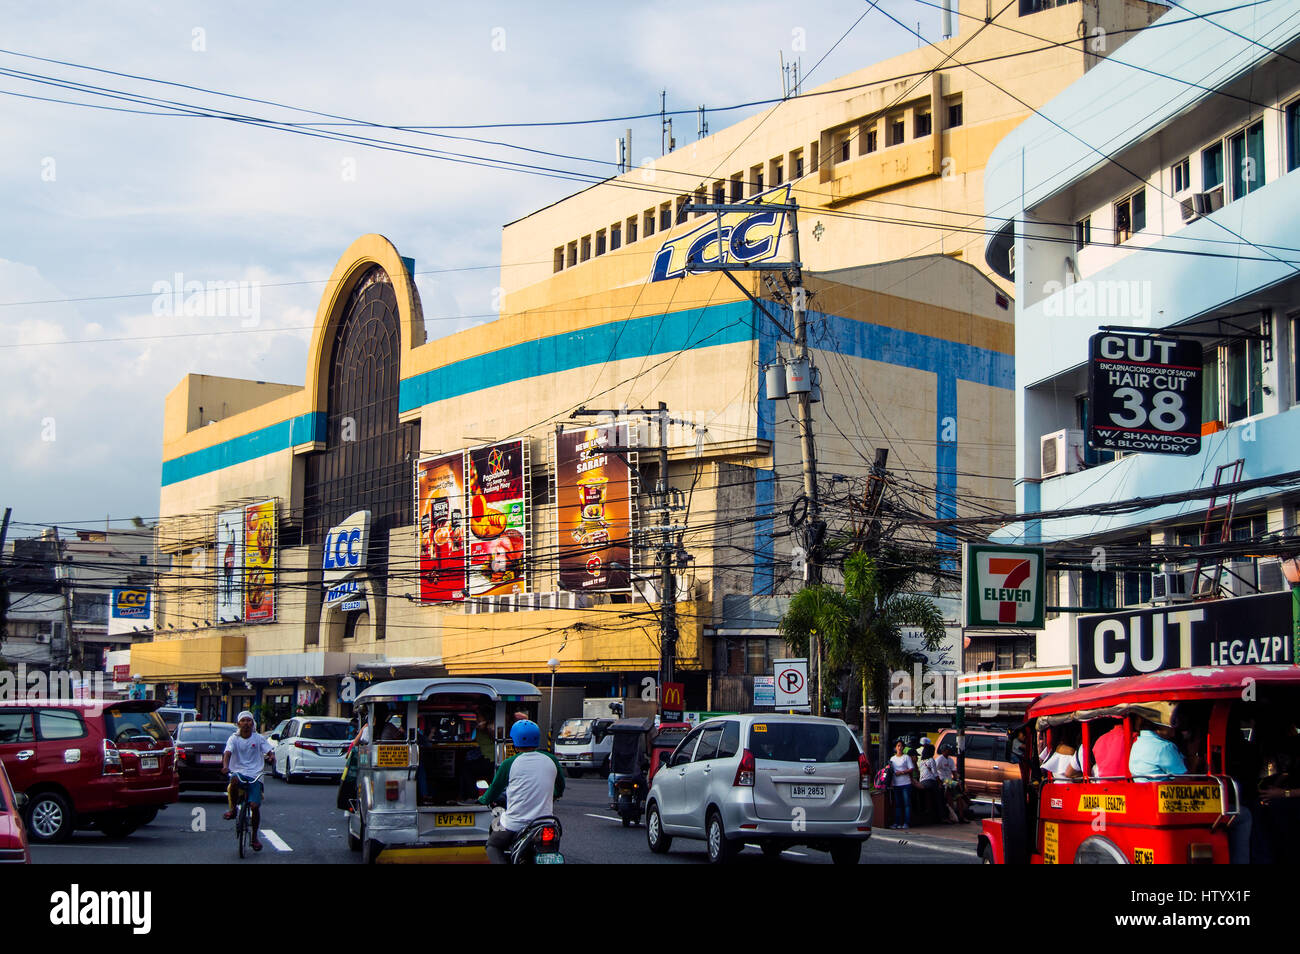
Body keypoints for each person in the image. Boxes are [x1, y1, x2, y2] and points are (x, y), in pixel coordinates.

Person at [478, 719, 565, 864]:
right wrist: (554, 795)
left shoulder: (509, 764)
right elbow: (560, 786)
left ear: (514, 740)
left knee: (493, 846)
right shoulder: (551, 760)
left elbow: (494, 790)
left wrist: (482, 800)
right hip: (546, 823)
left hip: (515, 824)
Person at [221, 710, 274, 852]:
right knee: (234, 781)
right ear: (238, 724)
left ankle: (254, 837)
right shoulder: (233, 738)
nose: (246, 724)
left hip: (255, 774)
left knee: (255, 806)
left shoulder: (258, 738)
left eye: (248, 721)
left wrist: (271, 756)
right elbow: (227, 753)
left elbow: (268, 750)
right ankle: (233, 810)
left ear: (252, 723)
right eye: (243, 721)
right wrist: (225, 766)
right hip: (238, 771)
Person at [1128, 703, 1187, 778]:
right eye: (1170, 723)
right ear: (1159, 724)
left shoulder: (1137, 743)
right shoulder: (1165, 747)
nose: (1174, 728)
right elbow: (1184, 779)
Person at [889, 739, 916, 830]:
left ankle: (906, 822)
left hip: (906, 783)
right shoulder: (892, 758)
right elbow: (890, 770)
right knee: (898, 805)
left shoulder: (906, 757)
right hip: (896, 784)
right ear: (895, 747)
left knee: (906, 804)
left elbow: (911, 768)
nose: (900, 748)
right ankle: (897, 822)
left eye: (901, 746)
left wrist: (902, 772)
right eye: (898, 746)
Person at [917, 743, 944, 824]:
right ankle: (942, 816)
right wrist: (940, 783)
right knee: (940, 797)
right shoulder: (931, 760)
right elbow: (935, 774)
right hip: (930, 781)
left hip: (922, 782)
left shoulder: (921, 761)